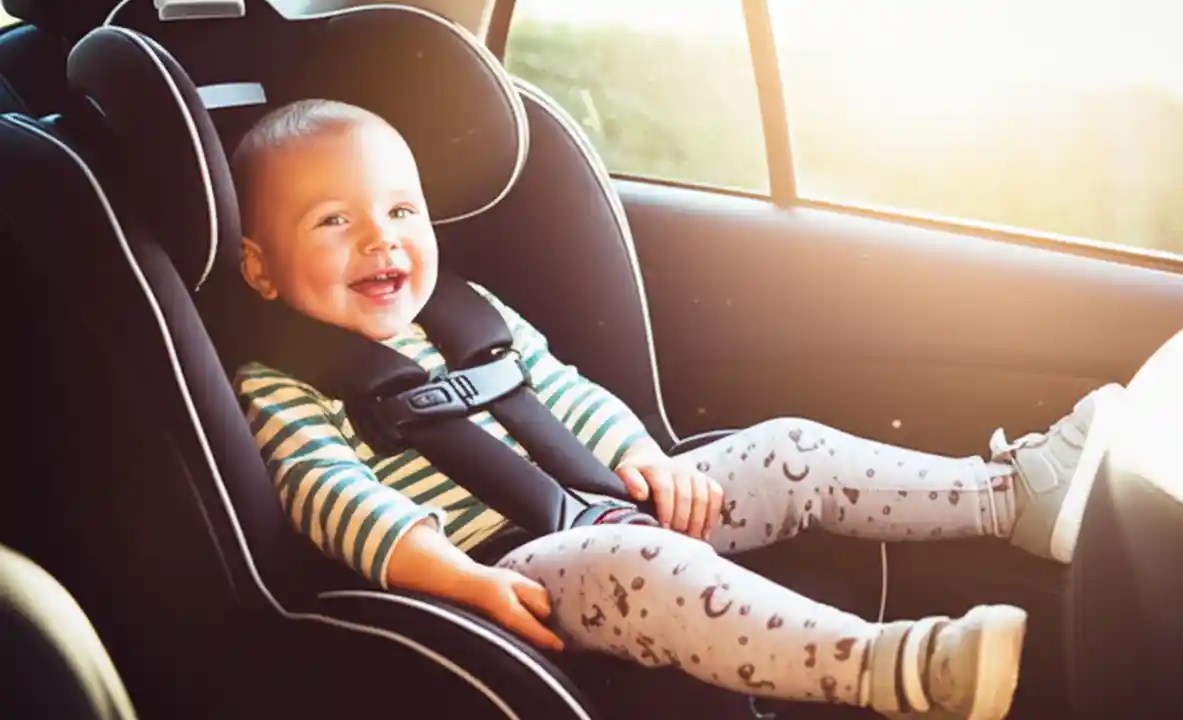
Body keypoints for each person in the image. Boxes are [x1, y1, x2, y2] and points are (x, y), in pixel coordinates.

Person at [233, 99, 1123, 719]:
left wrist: (649, 461)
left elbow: (568, 391)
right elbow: (337, 498)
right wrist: (464, 583)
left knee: (786, 447)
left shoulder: (469, 313)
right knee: (646, 563)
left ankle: (1010, 494)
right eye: (333, 222)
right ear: (261, 267)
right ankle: (888, 668)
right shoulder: (281, 382)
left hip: (610, 500)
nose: (382, 237)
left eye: (400, 209)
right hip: (502, 572)